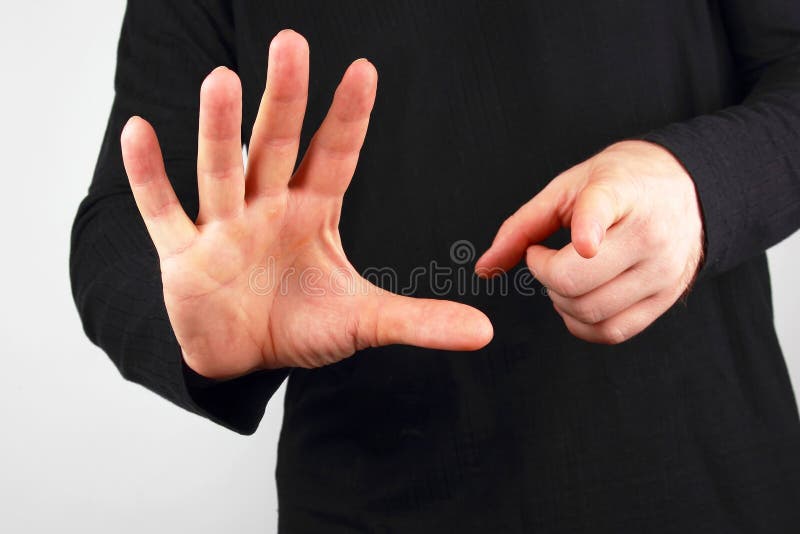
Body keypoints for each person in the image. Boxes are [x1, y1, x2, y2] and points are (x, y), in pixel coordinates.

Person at [71, 1, 800, 532]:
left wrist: (700, 187)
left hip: (708, 487)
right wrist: (197, 314)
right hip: (373, 506)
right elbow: (120, 229)